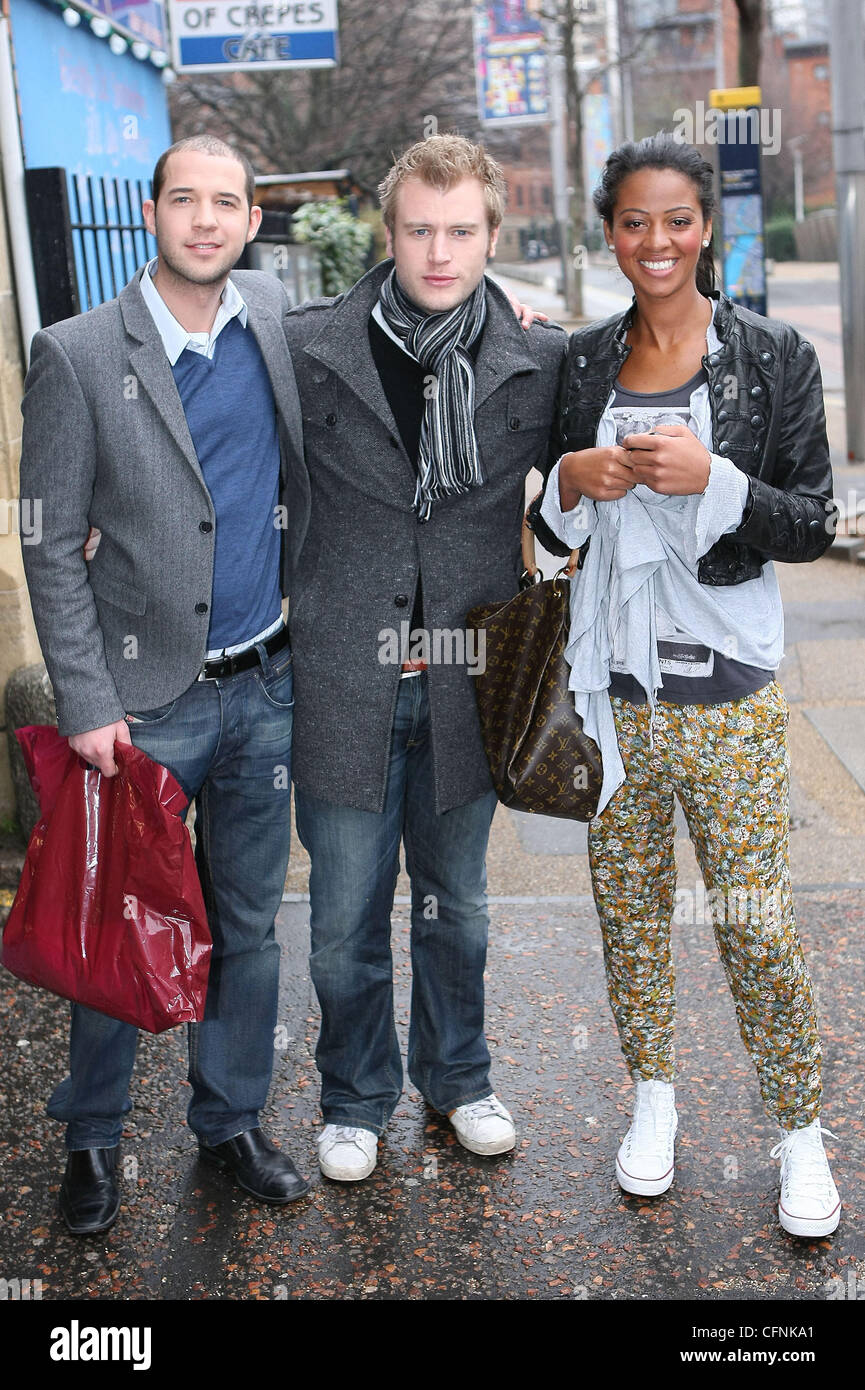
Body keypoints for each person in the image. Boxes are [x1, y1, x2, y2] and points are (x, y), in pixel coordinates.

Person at [538, 134, 841, 1238]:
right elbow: (538, 538)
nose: (654, 241)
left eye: (675, 220)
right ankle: (653, 1098)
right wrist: (568, 484)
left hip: (730, 694)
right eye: (632, 221)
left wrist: (717, 479)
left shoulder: (772, 356)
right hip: (611, 697)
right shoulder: (576, 363)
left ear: (704, 227)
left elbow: (813, 522)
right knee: (629, 917)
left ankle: (797, 1131)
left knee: (755, 922)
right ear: (608, 230)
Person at [19, 136, 311, 1233]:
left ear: (250, 218)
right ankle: (91, 1139)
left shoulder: (280, 317)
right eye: (184, 199)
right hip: (141, 708)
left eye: (226, 201)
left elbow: (414, 306)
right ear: (150, 214)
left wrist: (510, 315)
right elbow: (49, 542)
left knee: (244, 925)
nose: (205, 219)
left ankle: (229, 1120)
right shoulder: (79, 351)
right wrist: (85, 700)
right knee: (113, 922)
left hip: (265, 685)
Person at [283, 134, 567, 1181]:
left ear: (493, 235)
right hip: (345, 682)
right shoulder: (309, 344)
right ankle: (354, 1098)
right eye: (418, 229)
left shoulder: (537, 357)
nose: (438, 252)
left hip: (465, 684)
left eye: (460, 231)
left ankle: (458, 1079)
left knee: (459, 910)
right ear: (388, 231)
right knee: (341, 922)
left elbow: (586, 482)